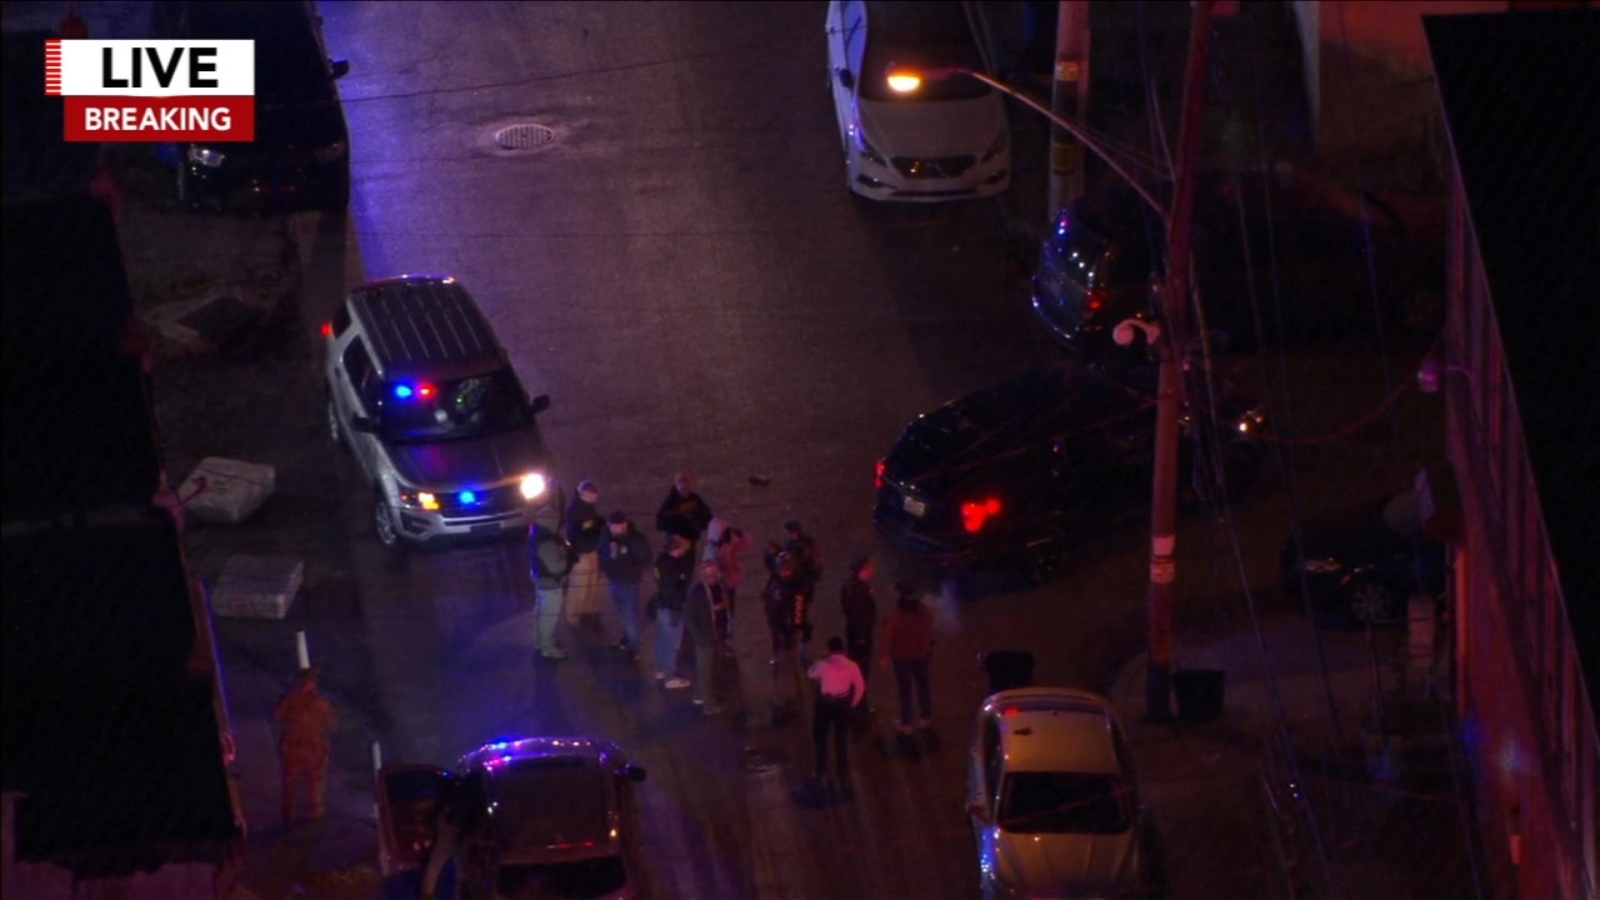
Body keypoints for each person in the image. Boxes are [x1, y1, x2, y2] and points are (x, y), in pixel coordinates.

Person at [274, 667, 338, 830]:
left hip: (294, 747)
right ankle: (315, 818)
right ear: (313, 683)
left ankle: (288, 817)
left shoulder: (289, 700)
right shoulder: (322, 703)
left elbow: (278, 715)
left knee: (290, 783)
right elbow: (332, 724)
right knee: (315, 783)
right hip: (313, 748)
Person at [808, 636, 865, 797]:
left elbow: (810, 674)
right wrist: (852, 704)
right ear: (842, 650)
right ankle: (842, 772)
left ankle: (821, 771)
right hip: (842, 704)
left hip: (825, 704)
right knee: (841, 740)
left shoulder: (823, 665)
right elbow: (860, 686)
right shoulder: (852, 666)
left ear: (830, 650)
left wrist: (818, 661)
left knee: (820, 738)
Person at [880, 579, 936, 735]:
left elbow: (887, 637)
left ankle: (907, 723)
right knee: (923, 686)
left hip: (901, 657)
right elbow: (930, 631)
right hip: (921, 654)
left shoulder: (894, 615)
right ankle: (925, 718)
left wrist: (884, 654)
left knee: (905, 690)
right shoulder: (926, 611)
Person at [763, 550, 813, 719]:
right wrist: (783, 633)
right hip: (783, 634)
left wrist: (797, 629)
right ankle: (780, 705)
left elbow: (800, 608)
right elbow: (773, 613)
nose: (785, 572)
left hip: (790, 632)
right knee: (785, 670)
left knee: (788, 668)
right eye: (783, 569)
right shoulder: (778, 586)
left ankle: (787, 700)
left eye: (788, 568)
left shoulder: (795, 585)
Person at [599, 510, 651, 658]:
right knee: (622, 613)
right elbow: (602, 553)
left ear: (625, 524)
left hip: (629, 583)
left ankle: (634, 647)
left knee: (630, 615)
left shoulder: (635, 540)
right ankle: (627, 639)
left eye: (618, 526)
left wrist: (628, 568)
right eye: (612, 526)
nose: (615, 529)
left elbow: (646, 560)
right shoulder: (606, 537)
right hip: (614, 580)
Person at [529, 504, 576, 660]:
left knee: (540, 612)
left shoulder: (536, 533)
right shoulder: (547, 541)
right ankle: (548, 648)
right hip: (550, 584)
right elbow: (556, 567)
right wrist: (568, 560)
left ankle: (539, 641)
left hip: (540, 579)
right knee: (549, 616)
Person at [683, 559, 727, 714]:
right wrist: (699, 636)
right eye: (709, 573)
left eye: (714, 572)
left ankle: (700, 695)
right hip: (705, 637)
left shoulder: (719, 586)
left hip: (718, 635)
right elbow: (689, 617)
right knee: (706, 672)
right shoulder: (697, 592)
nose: (712, 576)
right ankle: (709, 706)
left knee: (712, 669)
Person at [652, 533, 695, 689]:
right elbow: (676, 590)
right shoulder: (674, 567)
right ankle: (671, 677)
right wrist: (678, 607)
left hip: (661, 605)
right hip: (672, 609)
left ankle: (660, 669)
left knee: (662, 640)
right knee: (673, 643)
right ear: (676, 549)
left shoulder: (661, 560)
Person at [563, 481, 608, 632]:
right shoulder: (573, 511)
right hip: (580, 553)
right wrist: (595, 533)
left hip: (591, 550)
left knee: (592, 583)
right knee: (580, 586)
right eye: (592, 497)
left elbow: (594, 522)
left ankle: (587, 611)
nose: (595, 499)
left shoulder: (588, 507)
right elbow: (577, 535)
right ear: (583, 494)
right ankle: (573, 616)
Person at [840, 554, 878, 701]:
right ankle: (858, 702)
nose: (872, 570)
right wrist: (861, 636)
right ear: (862, 569)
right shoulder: (858, 590)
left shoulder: (851, 586)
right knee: (861, 670)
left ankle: (857, 700)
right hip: (861, 636)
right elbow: (858, 615)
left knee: (857, 668)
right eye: (869, 567)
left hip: (856, 634)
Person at [703, 517, 754, 622]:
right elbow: (714, 576)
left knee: (730, 613)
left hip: (731, 584)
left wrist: (741, 535)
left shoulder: (728, 543)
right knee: (725, 615)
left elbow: (747, 546)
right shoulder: (711, 553)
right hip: (722, 588)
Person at [656, 471, 713, 556]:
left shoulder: (694, 499)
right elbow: (661, 521)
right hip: (676, 541)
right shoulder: (671, 502)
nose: (685, 489)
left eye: (687, 485)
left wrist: (697, 524)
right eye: (682, 485)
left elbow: (707, 515)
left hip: (690, 539)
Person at [765, 519, 821, 598]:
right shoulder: (790, 544)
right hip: (791, 571)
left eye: (792, 531)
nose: (791, 534)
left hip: (801, 573)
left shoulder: (805, 543)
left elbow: (811, 561)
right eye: (790, 532)